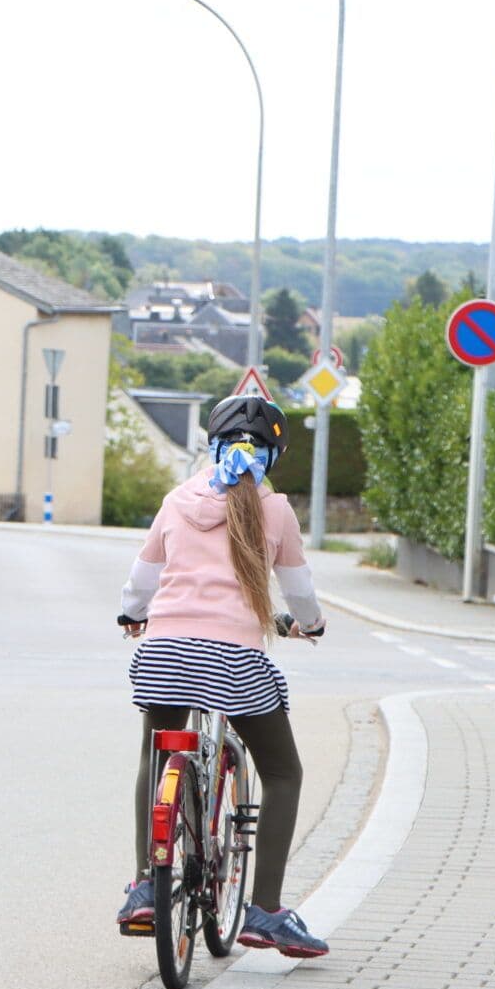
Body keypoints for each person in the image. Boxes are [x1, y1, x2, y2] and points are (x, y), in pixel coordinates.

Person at [115, 395, 330, 957]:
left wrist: (133, 616)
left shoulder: (178, 498)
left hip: (163, 651)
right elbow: (300, 593)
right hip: (232, 659)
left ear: (211, 443)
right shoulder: (274, 509)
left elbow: (141, 580)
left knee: (157, 754)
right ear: (273, 453)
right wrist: (310, 624)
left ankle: (144, 887)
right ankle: (266, 911)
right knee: (283, 772)